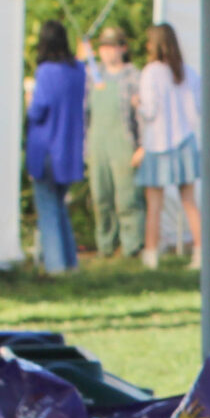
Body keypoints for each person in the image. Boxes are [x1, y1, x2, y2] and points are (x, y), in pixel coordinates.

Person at [134, 23, 201, 269]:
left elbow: (150, 111)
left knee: (154, 204)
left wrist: (137, 104)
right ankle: (200, 251)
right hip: (185, 141)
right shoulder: (188, 72)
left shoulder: (151, 72)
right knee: (189, 202)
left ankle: (151, 254)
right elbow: (197, 108)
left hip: (159, 144)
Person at [25, 19, 86, 274]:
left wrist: (28, 100)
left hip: (47, 148)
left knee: (48, 209)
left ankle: (56, 265)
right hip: (69, 149)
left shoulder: (46, 72)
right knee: (60, 207)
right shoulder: (78, 70)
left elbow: (38, 110)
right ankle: (70, 262)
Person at [83, 25, 146, 257]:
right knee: (101, 196)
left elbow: (141, 115)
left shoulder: (133, 75)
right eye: (104, 47)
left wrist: (142, 145)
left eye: (113, 46)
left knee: (128, 196)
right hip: (97, 142)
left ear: (123, 48)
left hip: (123, 142)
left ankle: (132, 244)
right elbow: (84, 113)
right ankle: (106, 244)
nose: (108, 52)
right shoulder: (92, 74)